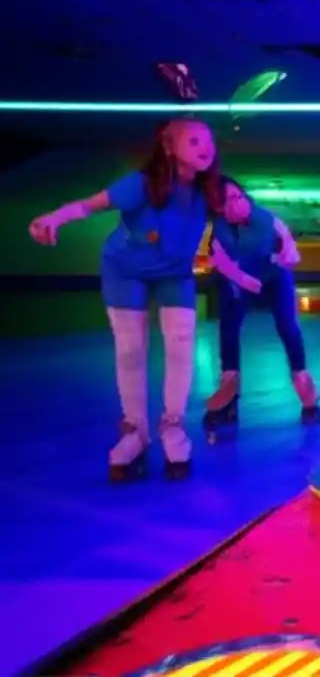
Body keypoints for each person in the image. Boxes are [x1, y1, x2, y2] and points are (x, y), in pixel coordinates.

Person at [27, 119, 219, 481]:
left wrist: (284, 243)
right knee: (130, 350)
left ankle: (172, 426)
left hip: (174, 274)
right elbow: (87, 206)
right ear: (169, 146)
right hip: (124, 269)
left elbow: (249, 214)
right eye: (193, 141)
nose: (204, 147)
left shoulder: (210, 191)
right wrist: (54, 218)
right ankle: (135, 432)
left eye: (209, 141)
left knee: (180, 346)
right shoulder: (140, 185)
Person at [201, 178, 319, 434]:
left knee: (288, 327)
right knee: (229, 329)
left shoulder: (267, 219)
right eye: (227, 201)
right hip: (239, 279)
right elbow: (226, 267)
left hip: (275, 275)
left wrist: (287, 257)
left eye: (238, 196)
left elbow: (289, 244)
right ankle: (229, 393)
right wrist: (248, 283)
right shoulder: (217, 233)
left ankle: (306, 392)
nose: (236, 204)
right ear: (218, 208)